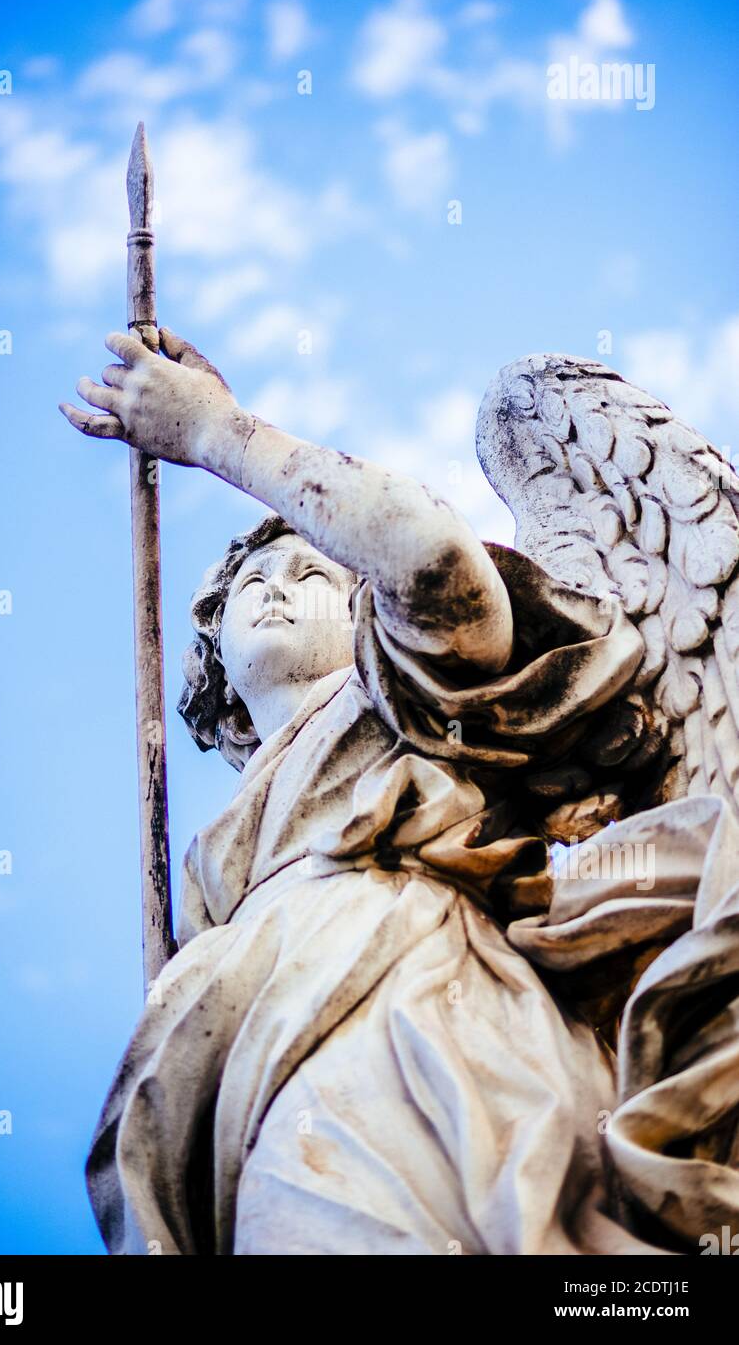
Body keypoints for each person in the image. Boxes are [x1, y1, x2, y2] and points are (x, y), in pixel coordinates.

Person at [61, 330, 737, 1256]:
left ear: (362, 612)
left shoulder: (411, 697)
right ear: (211, 658)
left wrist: (215, 434)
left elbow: (426, 558)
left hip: (413, 1012)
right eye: (250, 583)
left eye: (310, 572)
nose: (274, 589)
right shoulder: (226, 837)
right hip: (246, 1064)